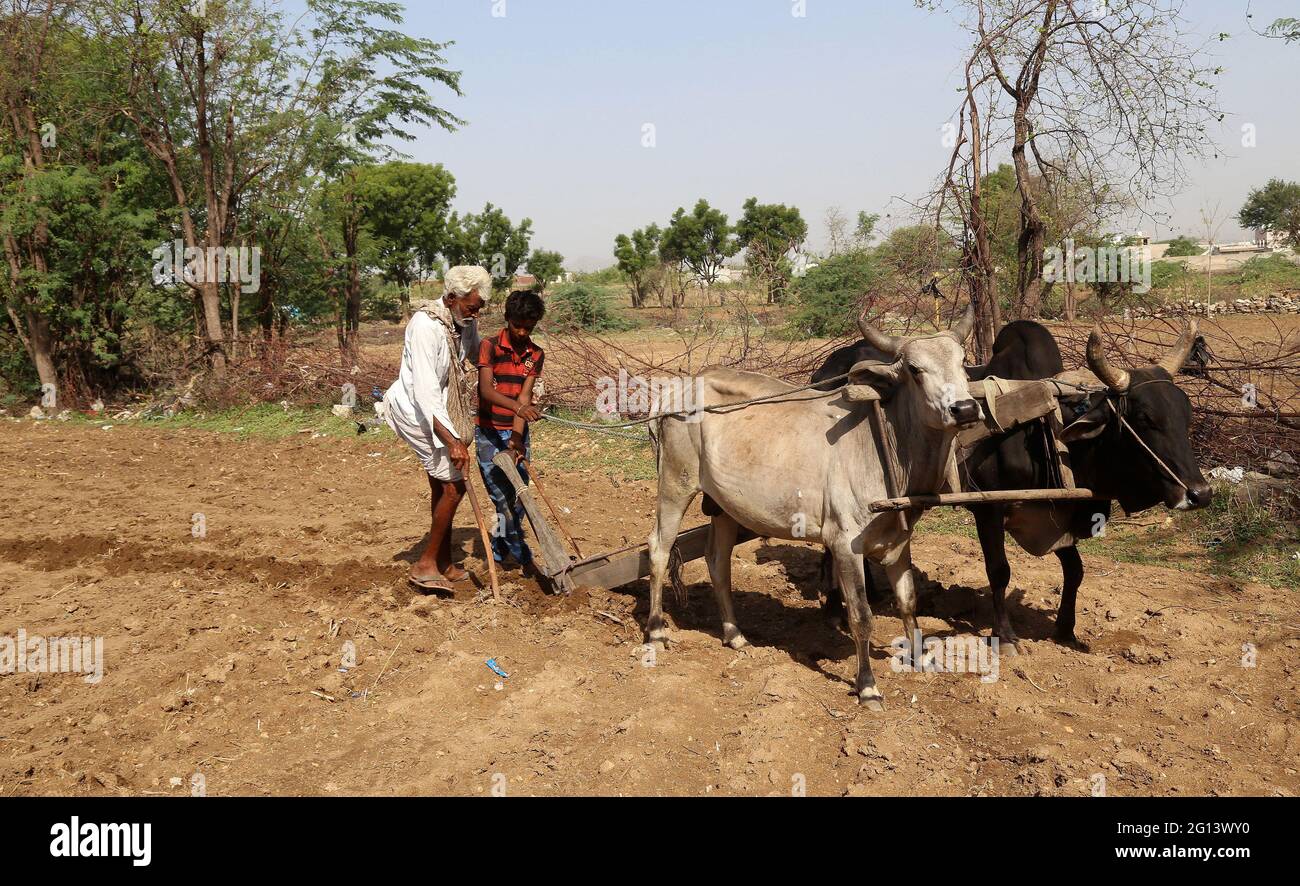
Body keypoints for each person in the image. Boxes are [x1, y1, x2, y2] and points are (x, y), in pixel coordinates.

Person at [383, 266, 488, 591]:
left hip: (437, 410)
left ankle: (442, 562)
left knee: (441, 486)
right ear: (452, 298)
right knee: (453, 487)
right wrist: (453, 441)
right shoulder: (425, 326)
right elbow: (426, 390)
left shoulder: (463, 322)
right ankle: (426, 564)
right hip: (415, 411)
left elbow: (477, 353)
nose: (475, 312)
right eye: (472, 306)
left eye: (479, 307)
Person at [474, 289, 546, 575]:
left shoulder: (536, 354)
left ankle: (500, 552)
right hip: (489, 433)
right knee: (500, 499)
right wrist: (517, 409)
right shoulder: (489, 347)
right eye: (517, 325)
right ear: (507, 318)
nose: (522, 331)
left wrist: (517, 440)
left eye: (528, 327)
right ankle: (526, 560)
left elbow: (525, 397)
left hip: (516, 434)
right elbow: (485, 391)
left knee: (517, 500)